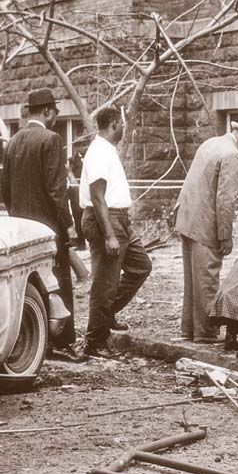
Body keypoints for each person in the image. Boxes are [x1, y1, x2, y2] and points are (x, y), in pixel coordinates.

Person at [173, 115, 238, 343]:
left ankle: (190, 329)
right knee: (207, 279)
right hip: (206, 224)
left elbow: (191, 181)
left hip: (188, 219)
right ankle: (205, 332)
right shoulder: (232, 155)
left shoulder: (211, 143)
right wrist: (225, 236)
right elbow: (225, 201)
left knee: (192, 281)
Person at [1, 89, 81, 358]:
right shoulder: (51, 140)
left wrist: (17, 218)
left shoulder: (12, 142)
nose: (56, 117)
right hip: (48, 228)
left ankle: (37, 340)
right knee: (59, 283)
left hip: (19, 229)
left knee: (29, 285)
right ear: (47, 111)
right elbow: (57, 190)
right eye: (55, 112)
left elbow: (5, 191)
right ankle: (62, 343)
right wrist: (68, 225)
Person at [79, 106, 152, 358]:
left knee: (141, 266)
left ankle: (106, 314)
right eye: (121, 123)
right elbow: (97, 197)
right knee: (104, 283)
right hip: (106, 220)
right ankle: (95, 341)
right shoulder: (98, 151)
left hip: (121, 219)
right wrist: (109, 235)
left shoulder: (108, 150)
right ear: (112, 123)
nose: (123, 128)